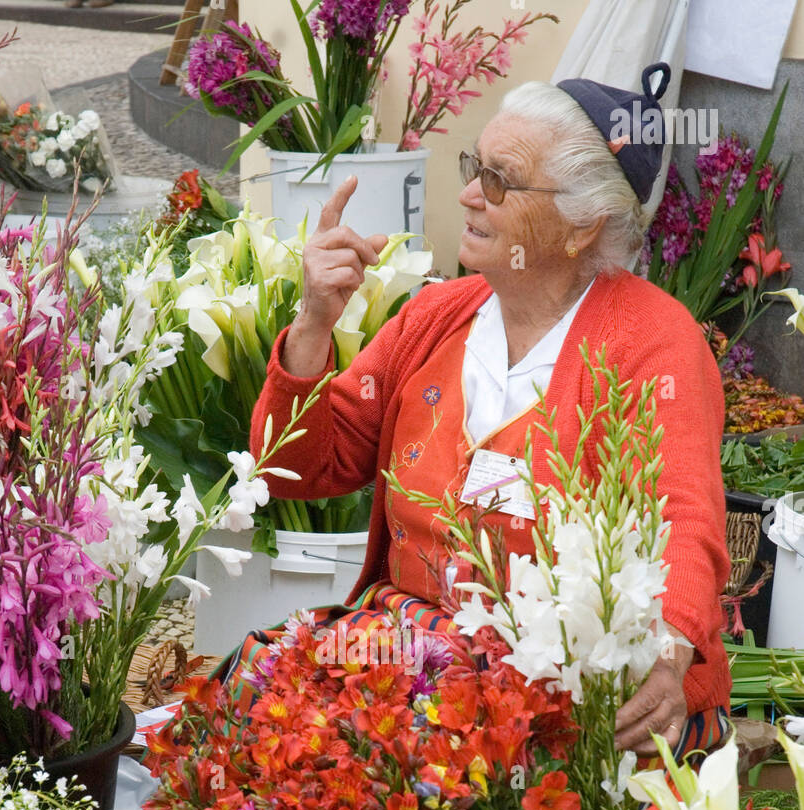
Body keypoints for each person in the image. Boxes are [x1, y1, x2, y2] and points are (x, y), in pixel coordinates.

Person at [247, 64, 731, 759]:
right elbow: (292, 472)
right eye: (477, 166)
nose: (469, 194)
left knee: (359, 757)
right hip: (403, 647)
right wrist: (313, 324)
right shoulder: (439, 316)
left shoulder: (656, 341)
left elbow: (685, 515)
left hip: (553, 683)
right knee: (255, 700)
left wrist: (668, 647)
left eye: (500, 181)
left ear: (580, 226)